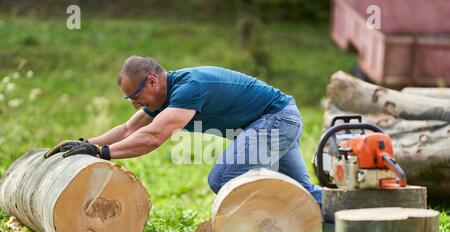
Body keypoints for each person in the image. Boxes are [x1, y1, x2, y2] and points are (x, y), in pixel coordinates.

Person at [45, 55, 322, 206]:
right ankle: (356, 212)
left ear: (152, 81)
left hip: (276, 119)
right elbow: (130, 128)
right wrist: (86, 143)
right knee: (306, 194)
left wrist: (103, 153)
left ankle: (266, 228)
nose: (134, 105)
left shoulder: (189, 88)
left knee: (223, 178)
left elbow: (155, 136)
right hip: (277, 118)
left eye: (135, 97)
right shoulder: (166, 94)